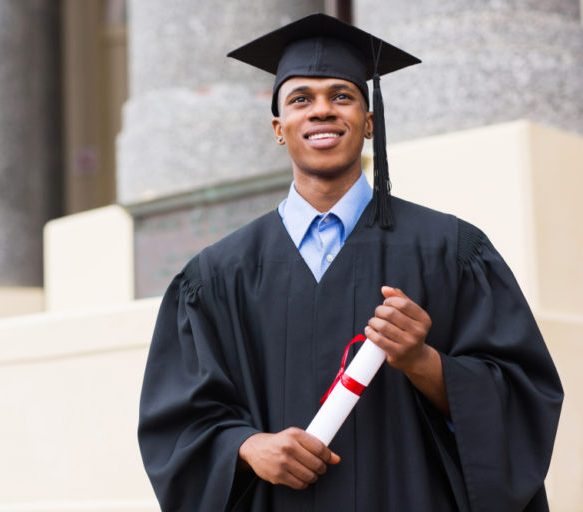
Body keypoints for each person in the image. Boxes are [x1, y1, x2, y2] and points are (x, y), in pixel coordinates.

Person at [138, 13, 563, 512]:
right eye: (301, 99)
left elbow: (522, 398)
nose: (321, 111)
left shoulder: (449, 250)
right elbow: (178, 423)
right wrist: (248, 448)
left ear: (368, 121)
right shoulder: (215, 277)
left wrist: (423, 362)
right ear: (279, 128)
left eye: (342, 96)